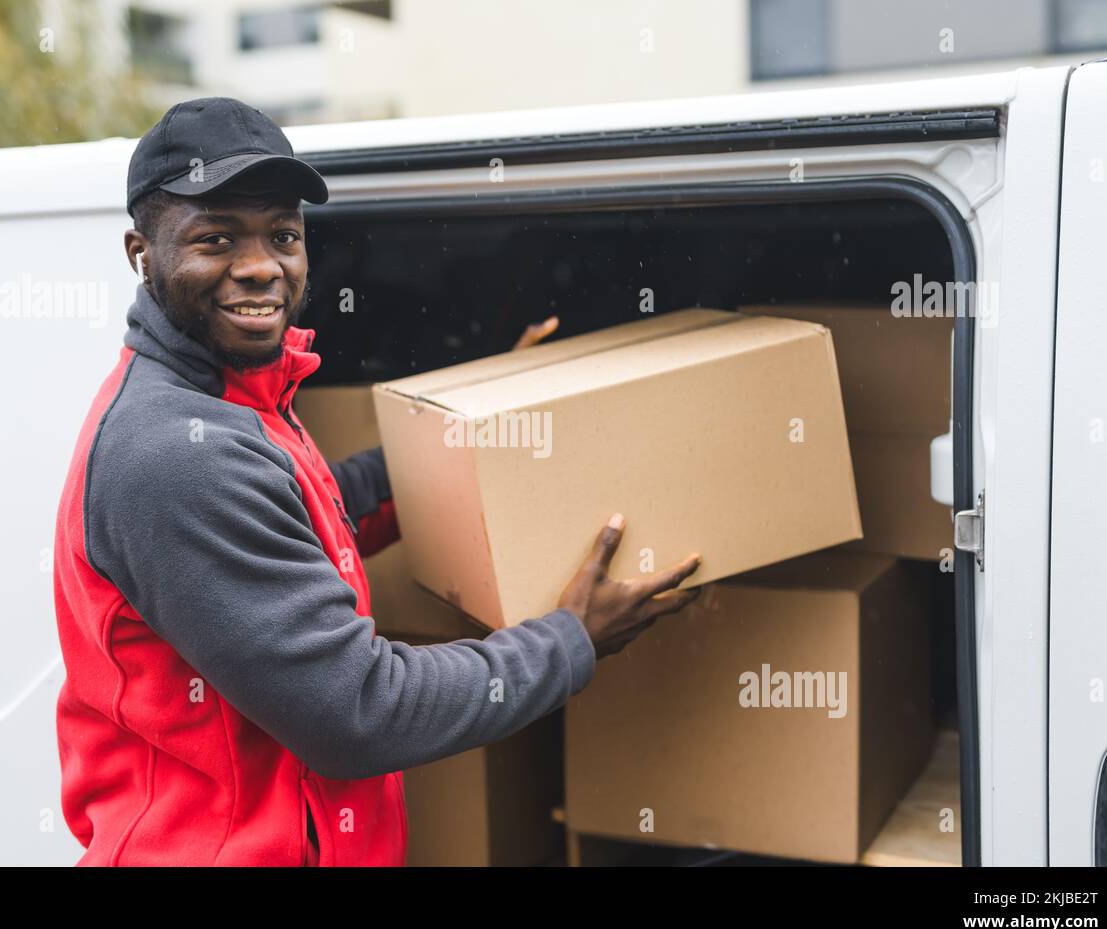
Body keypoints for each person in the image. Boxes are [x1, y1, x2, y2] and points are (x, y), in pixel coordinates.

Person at [52, 97, 702, 866]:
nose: (261, 265)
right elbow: (357, 710)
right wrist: (570, 641)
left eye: (283, 235)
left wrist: (484, 404)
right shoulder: (177, 451)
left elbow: (328, 512)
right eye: (216, 238)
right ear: (141, 252)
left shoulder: (236, 403)